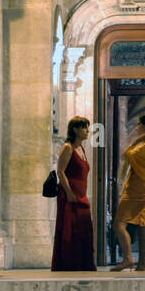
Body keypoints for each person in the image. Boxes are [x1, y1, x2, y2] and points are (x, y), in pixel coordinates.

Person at [112, 113, 145, 272]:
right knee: (141, 226)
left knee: (119, 224)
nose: (137, 128)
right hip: (140, 188)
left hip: (136, 190)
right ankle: (142, 264)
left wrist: (137, 139)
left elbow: (127, 154)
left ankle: (128, 258)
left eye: (139, 125)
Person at [50, 116, 96, 271]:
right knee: (70, 229)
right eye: (84, 127)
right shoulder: (68, 147)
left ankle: (83, 263)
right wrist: (69, 193)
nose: (87, 131)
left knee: (82, 229)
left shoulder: (81, 149)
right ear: (75, 129)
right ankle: (69, 264)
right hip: (70, 195)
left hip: (81, 195)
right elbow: (61, 171)